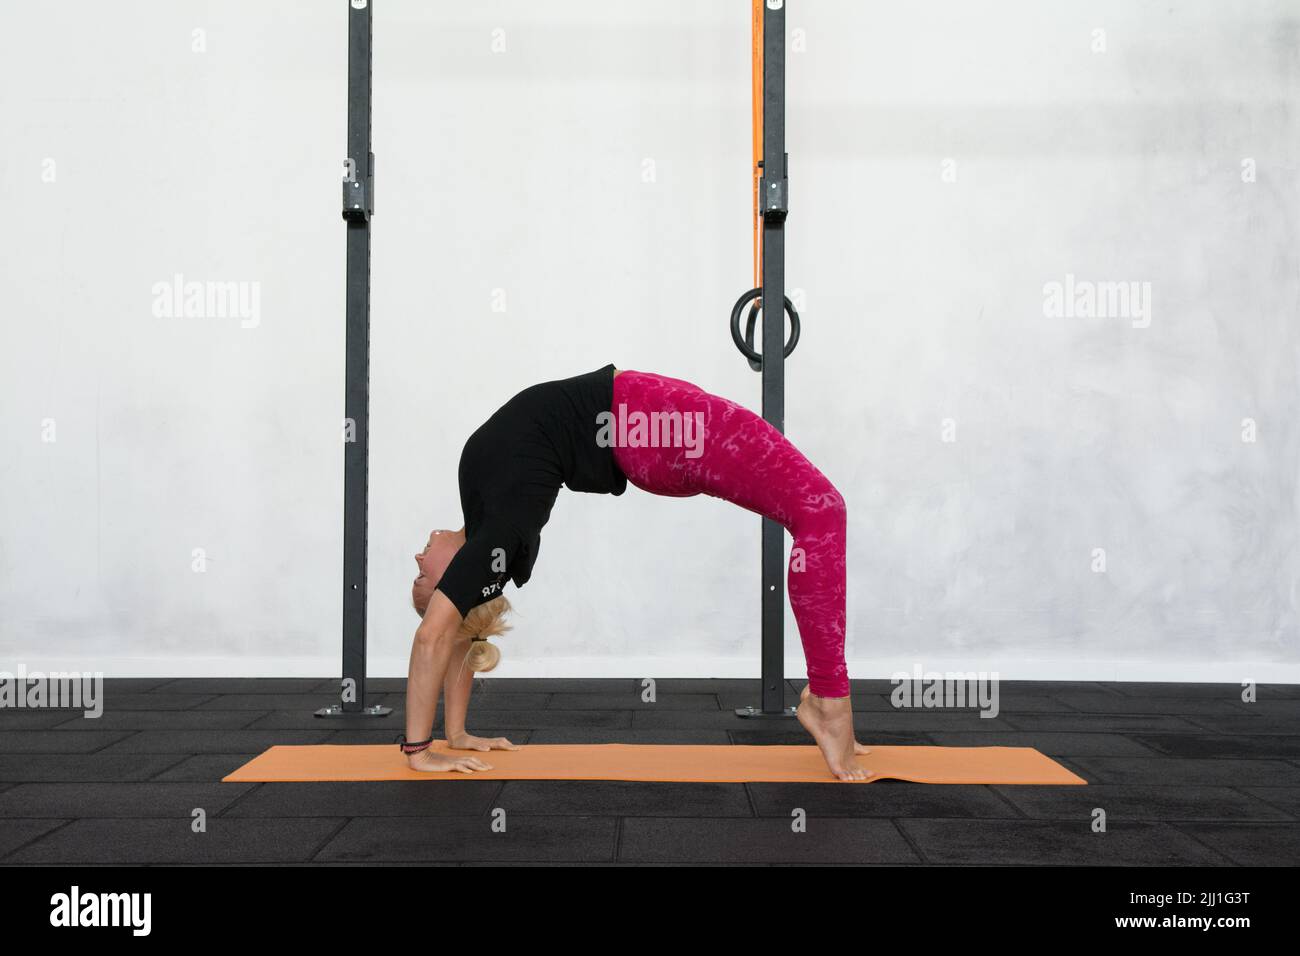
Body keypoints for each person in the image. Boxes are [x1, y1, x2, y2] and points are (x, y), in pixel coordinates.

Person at [405, 364, 867, 780]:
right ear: (455, 582)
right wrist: (419, 751)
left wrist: (458, 732)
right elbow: (436, 636)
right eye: (423, 581)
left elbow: (460, 636)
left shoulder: (484, 516)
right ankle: (829, 702)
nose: (418, 560)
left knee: (815, 508)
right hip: (649, 426)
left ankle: (829, 700)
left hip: (647, 416)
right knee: (820, 510)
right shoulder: (499, 538)